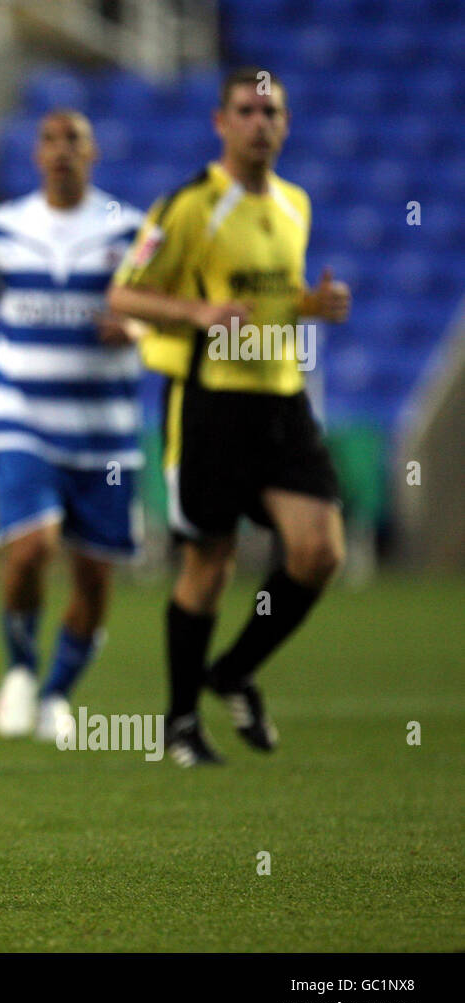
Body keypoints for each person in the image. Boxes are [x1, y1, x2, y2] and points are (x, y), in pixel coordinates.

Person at [107, 68, 351, 766]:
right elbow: (126, 295)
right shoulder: (189, 205)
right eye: (246, 110)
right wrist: (197, 312)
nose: (260, 123)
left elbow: (268, 297)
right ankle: (181, 721)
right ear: (222, 123)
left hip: (282, 399)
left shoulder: (295, 204)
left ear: (287, 123)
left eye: (271, 111)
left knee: (321, 551)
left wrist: (309, 306)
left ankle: (235, 669)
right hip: (210, 401)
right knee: (209, 560)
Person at [0, 110, 145, 743]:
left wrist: (138, 327)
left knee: (95, 575)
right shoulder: (1, 229)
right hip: (22, 412)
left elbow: (164, 313)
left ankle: (58, 692)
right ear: (35, 155)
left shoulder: (130, 230)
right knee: (30, 547)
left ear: (94, 151)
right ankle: (22, 672)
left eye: (74, 141)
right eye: (50, 141)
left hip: (107, 424)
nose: (61, 152)